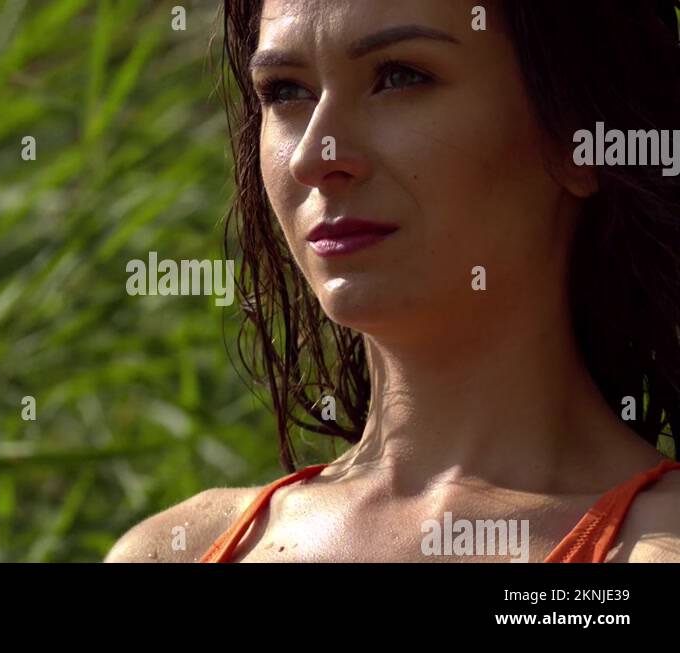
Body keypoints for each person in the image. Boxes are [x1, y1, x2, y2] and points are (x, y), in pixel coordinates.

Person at [105, 0, 680, 562]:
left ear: (577, 138)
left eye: (400, 76)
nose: (314, 154)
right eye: (286, 90)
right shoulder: (174, 549)